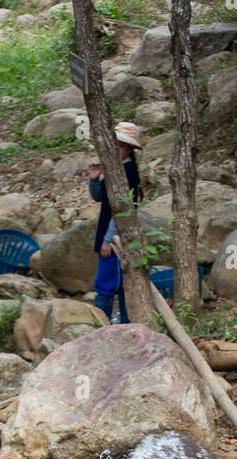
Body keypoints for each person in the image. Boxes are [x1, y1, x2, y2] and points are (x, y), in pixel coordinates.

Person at [87, 121, 144, 325]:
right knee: (114, 283)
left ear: (129, 149)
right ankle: (117, 324)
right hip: (108, 233)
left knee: (108, 283)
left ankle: (104, 326)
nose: (116, 150)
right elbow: (100, 198)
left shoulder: (128, 173)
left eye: (120, 146)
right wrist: (94, 179)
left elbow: (122, 209)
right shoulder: (114, 170)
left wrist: (108, 239)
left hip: (115, 236)